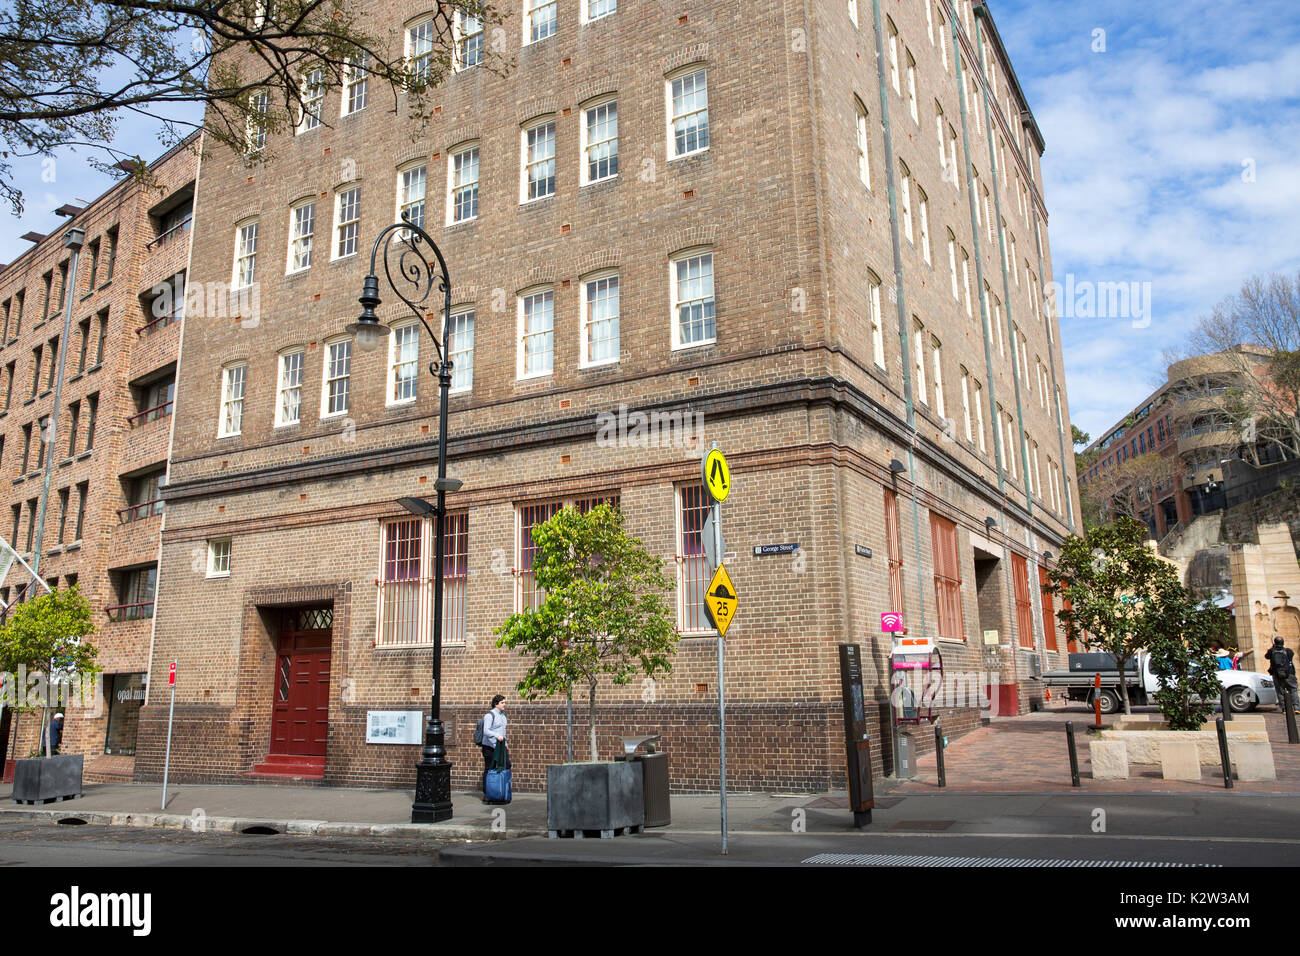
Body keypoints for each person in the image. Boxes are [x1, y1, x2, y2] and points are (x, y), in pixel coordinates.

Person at [480, 695, 507, 799]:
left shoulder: (503, 716)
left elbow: (503, 732)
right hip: (489, 746)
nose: (504, 704)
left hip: (500, 746)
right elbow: (486, 731)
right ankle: (487, 793)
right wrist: (497, 736)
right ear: (496, 704)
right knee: (489, 768)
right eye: (502, 703)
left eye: (504, 702)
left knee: (505, 766)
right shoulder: (489, 715)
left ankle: (499, 791)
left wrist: (505, 745)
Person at [1266, 637, 1300, 713]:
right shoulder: (1288, 651)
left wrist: (1273, 648)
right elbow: (1291, 656)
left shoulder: (1272, 651)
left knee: (1280, 691)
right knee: (1293, 690)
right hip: (1289, 674)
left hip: (1277, 674)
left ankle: (1284, 709)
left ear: (1275, 643)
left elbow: (1267, 656)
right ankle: (1296, 708)